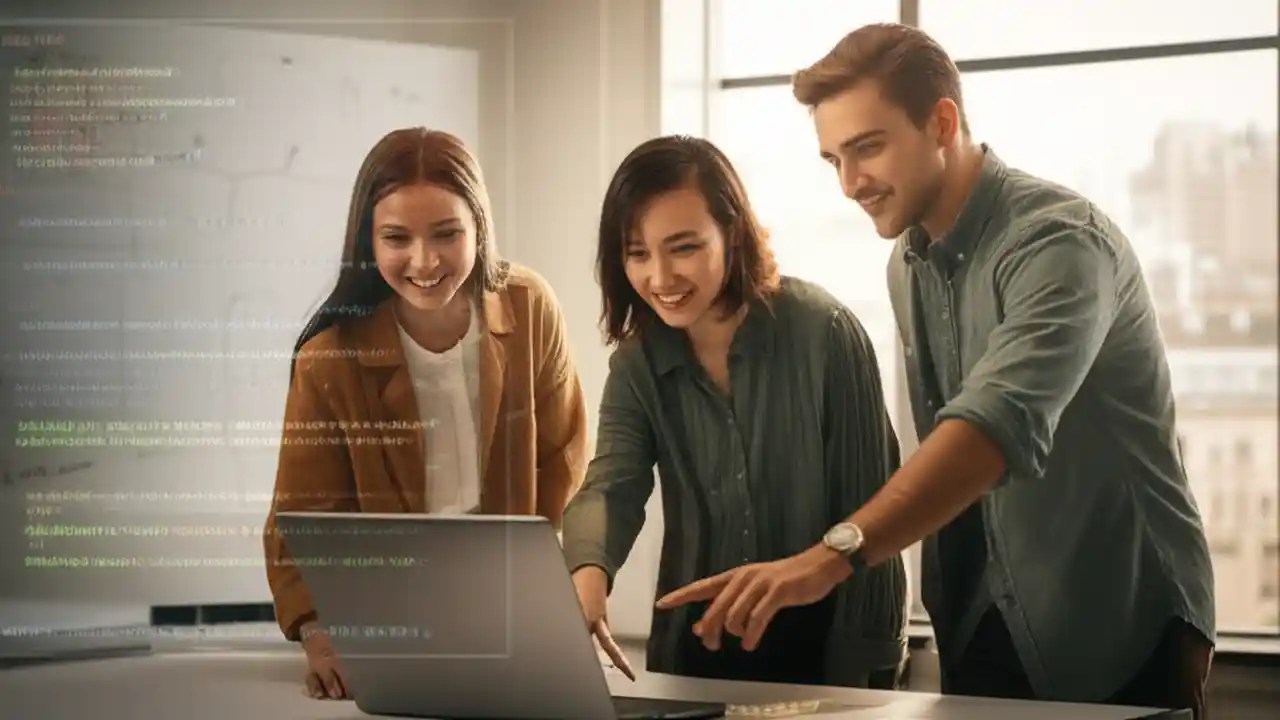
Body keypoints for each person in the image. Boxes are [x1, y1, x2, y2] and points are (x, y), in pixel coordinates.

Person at [658, 22, 1217, 719]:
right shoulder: (907, 264)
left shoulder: (1060, 243)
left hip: (1115, 624)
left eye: (867, 148)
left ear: (942, 121)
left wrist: (831, 556)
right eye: (833, 159)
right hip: (980, 628)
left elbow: (990, 429)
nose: (849, 183)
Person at [560, 135, 909, 689]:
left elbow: (872, 513)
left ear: (733, 234)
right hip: (694, 655)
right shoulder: (638, 363)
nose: (660, 277)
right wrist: (587, 576)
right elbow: (611, 486)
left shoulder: (826, 332)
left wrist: (859, 676)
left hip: (830, 659)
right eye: (637, 253)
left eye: (683, 247)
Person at [261, 128, 589, 700]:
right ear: (368, 240)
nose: (424, 261)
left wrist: (566, 590)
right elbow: (302, 515)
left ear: (479, 227)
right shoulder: (328, 359)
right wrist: (320, 635)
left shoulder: (529, 305)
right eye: (396, 238)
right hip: (390, 617)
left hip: (510, 607)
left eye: (447, 234)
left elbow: (565, 461)